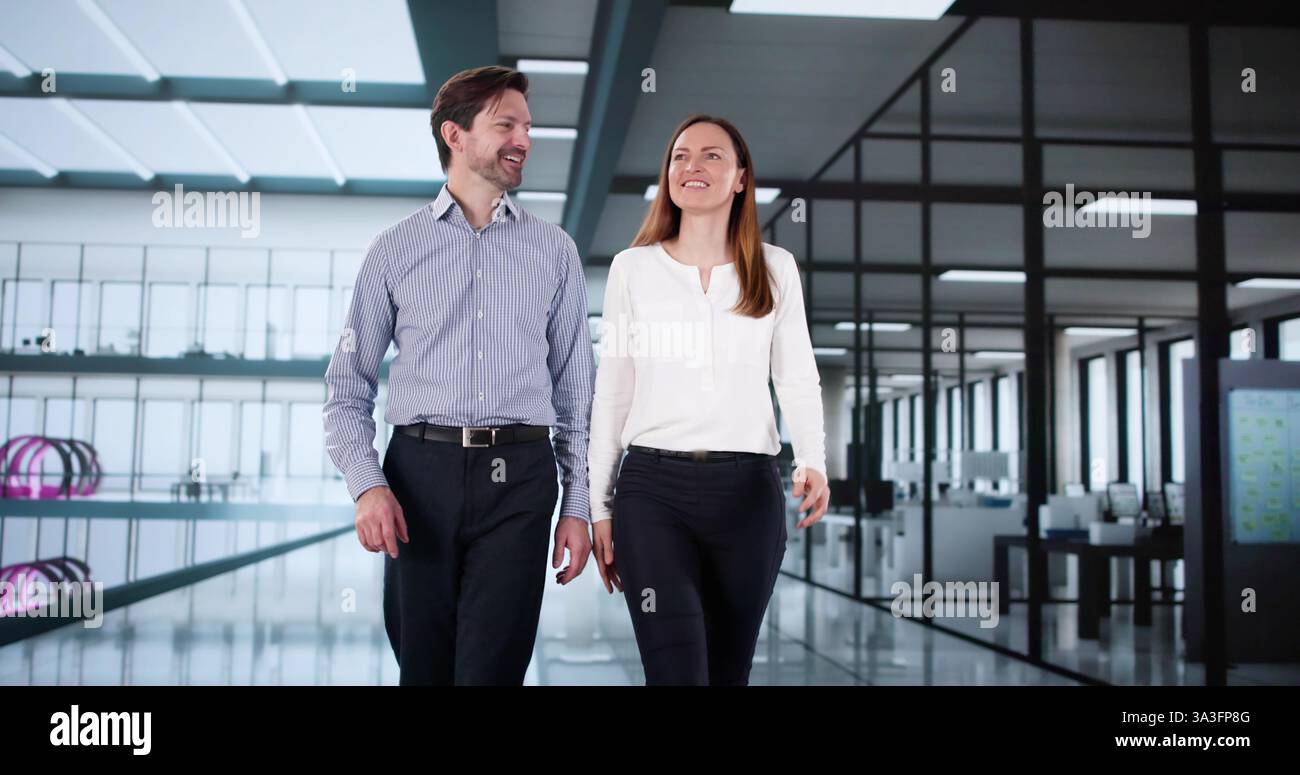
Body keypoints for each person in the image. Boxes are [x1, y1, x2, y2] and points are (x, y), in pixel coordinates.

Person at [322, 65, 594, 685]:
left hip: (520, 480)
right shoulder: (394, 250)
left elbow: (578, 393)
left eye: (527, 125)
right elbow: (347, 390)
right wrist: (368, 487)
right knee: (425, 669)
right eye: (507, 124)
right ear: (456, 135)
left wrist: (576, 506)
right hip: (419, 478)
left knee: (492, 671)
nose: (524, 137)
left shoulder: (554, 252)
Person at [587, 115, 830, 685]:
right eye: (679, 156)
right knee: (677, 673)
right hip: (652, 496)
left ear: (742, 178)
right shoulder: (633, 269)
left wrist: (813, 458)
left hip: (748, 494)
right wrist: (597, 505)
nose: (691, 166)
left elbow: (796, 373)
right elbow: (612, 389)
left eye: (711, 156)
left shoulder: (775, 269)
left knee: (727, 673)